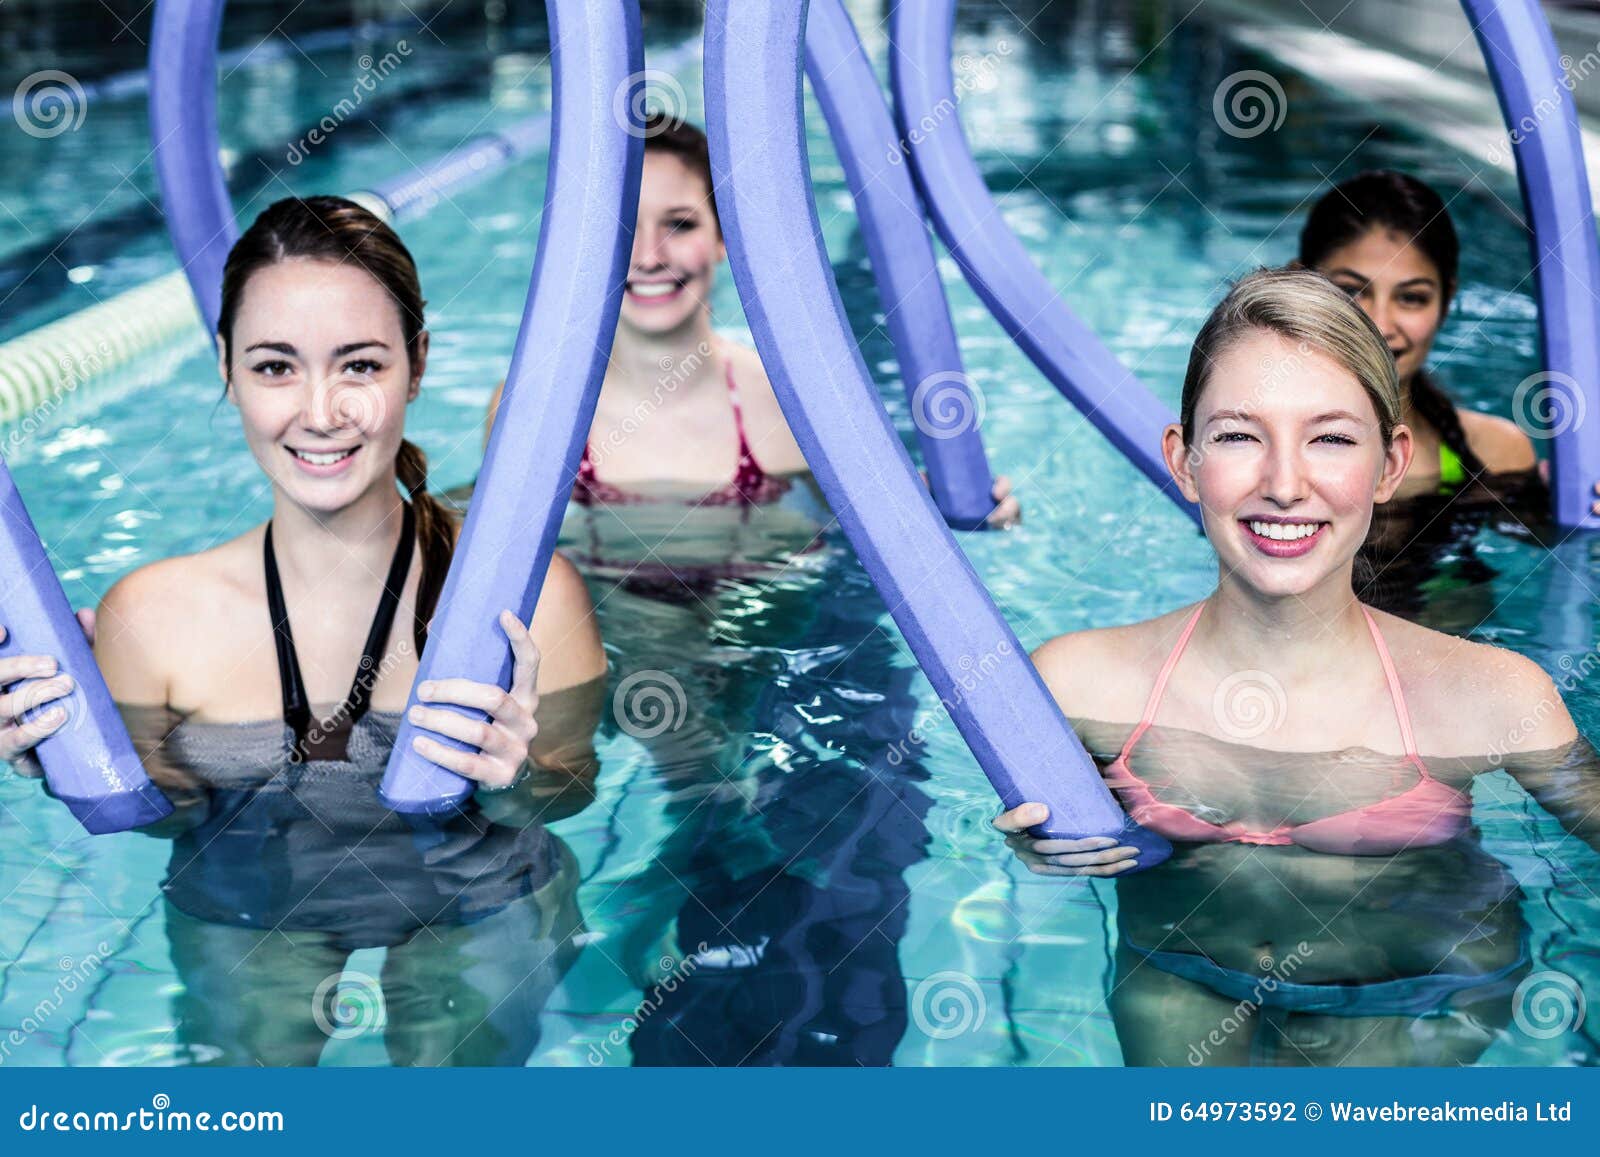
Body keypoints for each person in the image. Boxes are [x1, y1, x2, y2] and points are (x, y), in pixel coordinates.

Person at [1, 195, 607, 1066]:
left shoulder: (528, 595)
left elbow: (571, 790)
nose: (319, 412)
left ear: (417, 363)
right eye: (276, 367)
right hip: (251, 909)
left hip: (477, 899)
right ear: (226, 370)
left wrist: (511, 783)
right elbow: (168, 821)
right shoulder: (154, 614)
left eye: (359, 365)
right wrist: (63, 763)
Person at [994, 268, 1598, 1065]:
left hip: (1420, 985)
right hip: (1182, 974)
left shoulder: (1493, 696)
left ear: (1389, 464)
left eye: (1332, 438)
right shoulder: (1077, 683)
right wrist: (1039, 841)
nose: (1284, 485)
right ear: (1183, 460)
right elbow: (1014, 842)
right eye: (1241, 435)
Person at [484, 115, 1018, 532]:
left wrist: (960, 511)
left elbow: (868, 531)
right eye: (622, 227)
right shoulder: (534, 404)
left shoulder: (794, 404)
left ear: (722, 238)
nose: (648, 256)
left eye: (679, 224)